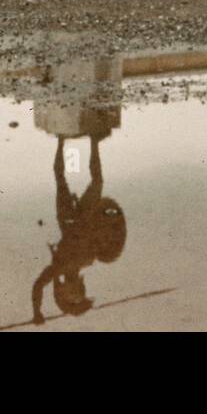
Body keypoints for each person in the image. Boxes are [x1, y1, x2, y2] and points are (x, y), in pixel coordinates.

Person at [31, 131, 126, 323]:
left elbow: (38, 287)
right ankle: (94, 140)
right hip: (85, 217)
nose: (75, 292)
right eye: (78, 294)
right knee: (97, 181)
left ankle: (61, 141)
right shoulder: (89, 259)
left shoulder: (57, 269)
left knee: (61, 179)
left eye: (71, 295)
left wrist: (37, 312)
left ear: (63, 291)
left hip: (67, 219)